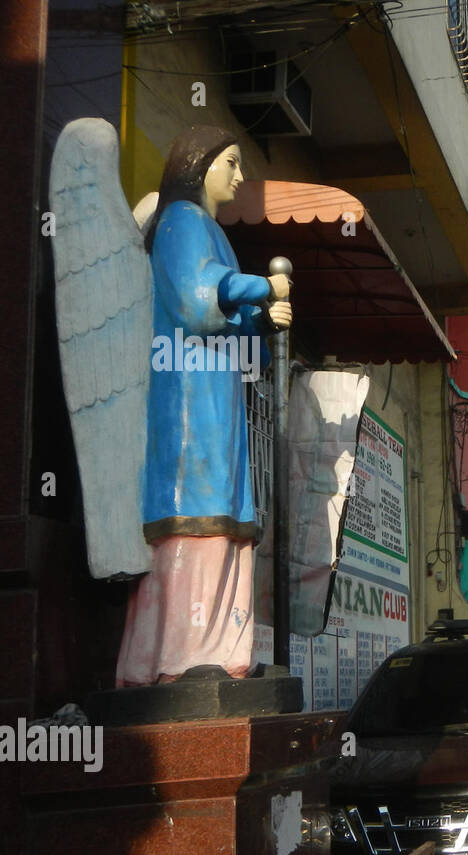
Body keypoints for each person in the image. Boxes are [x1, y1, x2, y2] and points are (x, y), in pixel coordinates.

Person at [117, 126, 292, 686]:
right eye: (231, 164)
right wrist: (261, 289)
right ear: (197, 166)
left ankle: (217, 651)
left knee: (224, 517)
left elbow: (234, 329)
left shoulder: (213, 231)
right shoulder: (181, 223)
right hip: (188, 404)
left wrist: (263, 319)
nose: (240, 178)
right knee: (198, 516)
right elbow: (197, 300)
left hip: (216, 398)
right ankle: (180, 657)